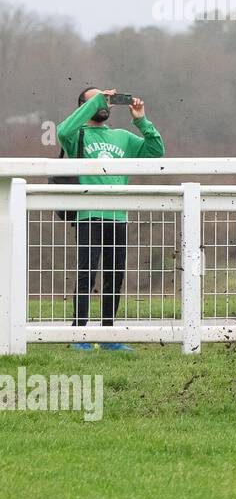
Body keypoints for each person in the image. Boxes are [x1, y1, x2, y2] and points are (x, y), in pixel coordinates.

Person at [56, 88, 165, 327]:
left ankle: (108, 333)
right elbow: (62, 130)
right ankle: (79, 331)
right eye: (98, 100)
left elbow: (156, 151)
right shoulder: (77, 135)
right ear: (85, 106)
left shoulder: (122, 137)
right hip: (88, 215)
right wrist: (96, 101)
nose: (105, 103)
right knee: (87, 274)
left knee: (114, 276)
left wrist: (141, 120)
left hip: (118, 215)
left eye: (106, 100)